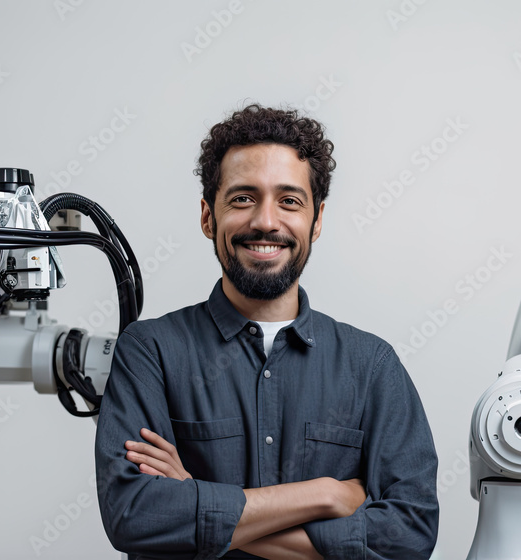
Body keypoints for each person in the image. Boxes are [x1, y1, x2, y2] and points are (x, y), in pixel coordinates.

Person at [94, 104, 439, 559]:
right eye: (242, 198)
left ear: (316, 221)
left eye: (290, 201)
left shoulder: (371, 365)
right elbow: (134, 515)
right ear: (207, 216)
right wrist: (324, 495)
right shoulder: (150, 351)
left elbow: (409, 536)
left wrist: (196, 498)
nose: (266, 222)